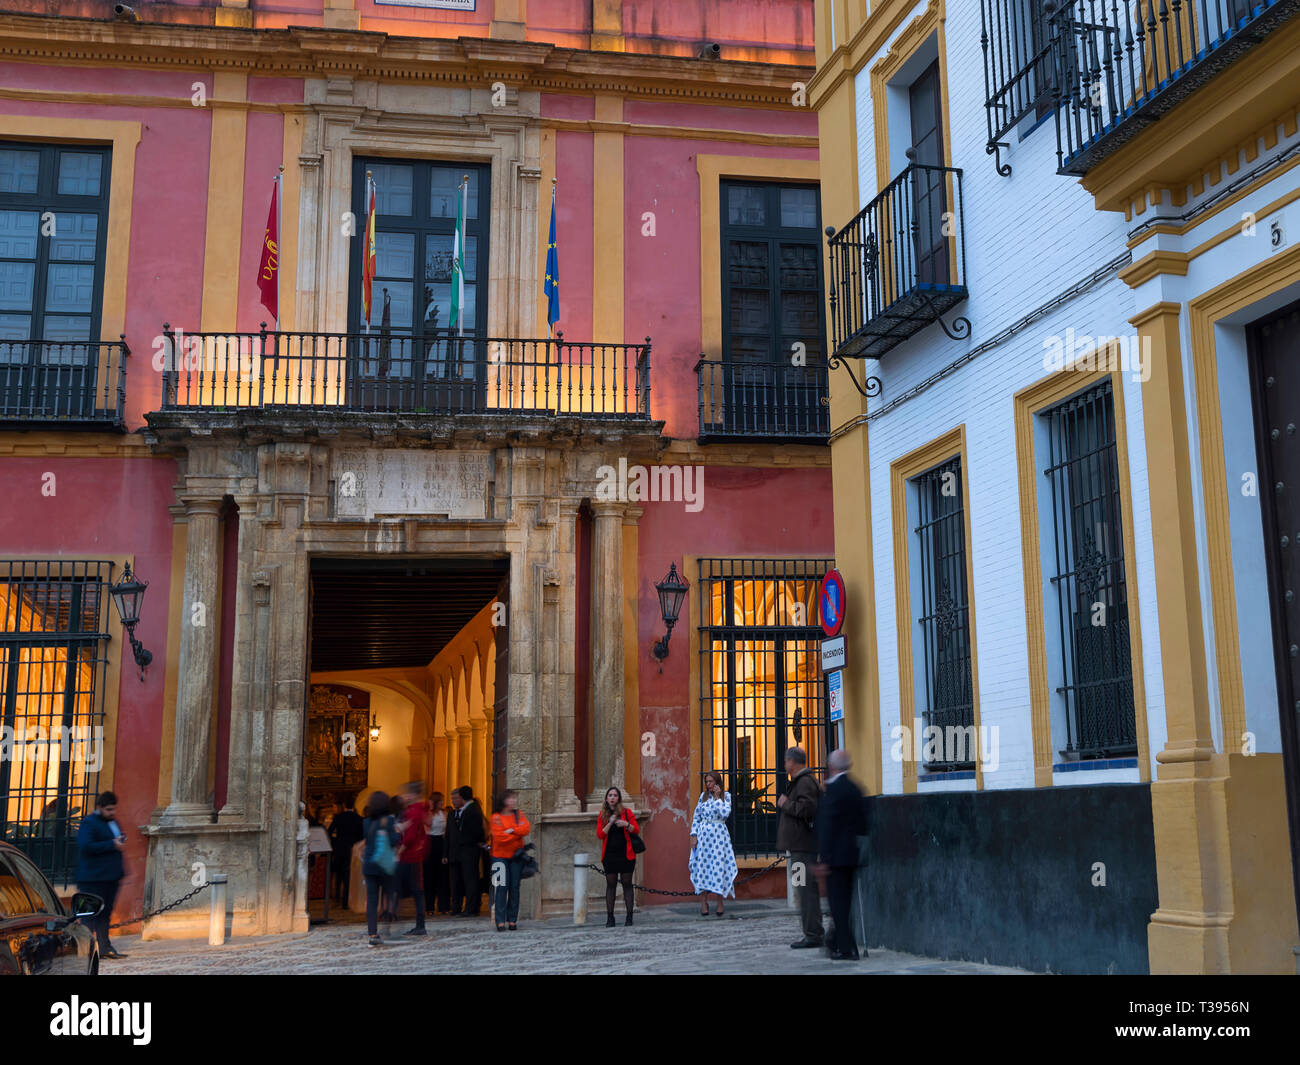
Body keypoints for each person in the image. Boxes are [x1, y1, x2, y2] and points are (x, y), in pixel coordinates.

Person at [817, 749, 869, 961]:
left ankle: (847, 948)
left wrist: (824, 858)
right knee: (845, 903)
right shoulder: (856, 788)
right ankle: (839, 942)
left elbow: (828, 826)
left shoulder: (833, 790)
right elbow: (863, 824)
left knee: (838, 905)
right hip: (851, 855)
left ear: (832, 766)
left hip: (836, 858)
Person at [776, 747, 824, 949]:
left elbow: (807, 809)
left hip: (802, 848)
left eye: (786, 761)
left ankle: (813, 934)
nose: (785, 764)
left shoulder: (804, 782)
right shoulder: (802, 781)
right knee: (803, 890)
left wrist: (785, 804)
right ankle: (811, 932)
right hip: (799, 847)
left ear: (793, 762)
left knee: (805, 891)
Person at [75, 791, 128, 959]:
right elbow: (86, 846)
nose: (112, 812)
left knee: (105, 914)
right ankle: (86, 952)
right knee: (89, 916)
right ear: (99, 807)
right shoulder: (89, 823)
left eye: (114, 809)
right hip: (92, 878)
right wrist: (112, 844)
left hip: (110, 877)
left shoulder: (113, 822)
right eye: (109, 809)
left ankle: (105, 948)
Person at [689, 770, 737, 917]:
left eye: (711, 781)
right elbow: (696, 817)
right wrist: (694, 835)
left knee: (718, 866)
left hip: (718, 837)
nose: (708, 784)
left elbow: (724, 814)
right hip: (704, 837)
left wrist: (717, 798)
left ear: (717, 782)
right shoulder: (702, 797)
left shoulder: (725, 796)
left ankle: (720, 901)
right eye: (707, 782)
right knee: (702, 867)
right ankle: (703, 902)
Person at [596, 786, 640, 928]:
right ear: (606, 799)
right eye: (610, 795)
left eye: (615, 795)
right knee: (611, 885)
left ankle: (629, 917)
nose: (613, 797)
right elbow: (600, 835)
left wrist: (626, 824)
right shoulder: (603, 815)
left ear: (619, 798)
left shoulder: (626, 812)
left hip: (626, 854)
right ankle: (610, 917)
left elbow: (636, 829)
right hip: (610, 855)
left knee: (627, 884)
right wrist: (610, 822)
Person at [361, 791, 399, 947]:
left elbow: (368, 840)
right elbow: (392, 841)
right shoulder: (389, 821)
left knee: (372, 899)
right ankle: (387, 926)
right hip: (384, 865)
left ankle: (372, 933)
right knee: (389, 895)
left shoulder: (366, 821)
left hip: (370, 863)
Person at [489, 789, 531, 932]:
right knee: (501, 888)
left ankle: (512, 920)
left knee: (515, 888)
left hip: (516, 857)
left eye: (514, 798)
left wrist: (511, 831)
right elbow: (499, 838)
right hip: (499, 858)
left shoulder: (519, 814)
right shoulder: (496, 817)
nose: (514, 801)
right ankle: (500, 921)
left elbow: (526, 829)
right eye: (511, 798)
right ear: (504, 800)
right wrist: (516, 833)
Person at [396, 781, 431, 936]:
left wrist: (398, 852)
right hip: (415, 854)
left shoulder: (414, 811)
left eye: (407, 793)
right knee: (415, 890)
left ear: (414, 794)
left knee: (411, 889)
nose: (405, 796)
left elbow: (410, 837)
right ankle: (418, 923)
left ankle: (418, 923)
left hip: (409, 855)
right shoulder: (418, 810)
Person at [453, 785, 486, 916]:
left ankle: (471, 908)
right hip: (469, 848)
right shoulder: (471, 809)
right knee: (470, 878)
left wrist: (476, 841)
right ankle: (473, 906)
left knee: (470, 878)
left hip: (470, 848)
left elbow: (476, 830)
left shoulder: (471, 810)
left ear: (461, 797)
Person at [328, 793, 365, 908]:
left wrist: (335, 842)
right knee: (349, 875)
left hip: (339, 848)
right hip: (352, 849)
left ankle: (337, 897)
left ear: (344, 805)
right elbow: (362, 835)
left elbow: (329, 832)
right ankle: (346, 900)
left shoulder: (338, 817)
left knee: (339, 875)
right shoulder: (359, 818)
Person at [423, 792, 449, 915]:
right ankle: (429, 907)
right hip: (430, 841)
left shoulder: (444, 813)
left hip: (441, 841)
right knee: (429, 877)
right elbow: (426, 827)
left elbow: (446, 829)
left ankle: (443, 906)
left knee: (442, 876)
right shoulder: (428, 814)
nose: (442, 803)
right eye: (440, 801)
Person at [445, 788, 466, 914]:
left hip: (464, 853)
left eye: (456, 798)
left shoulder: (467, 812)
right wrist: (445, 853)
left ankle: (468, 906)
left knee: (465, 881)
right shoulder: (451, 814)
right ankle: (456, 907)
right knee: (454, 882)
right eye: (452, 799)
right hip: (453, 853)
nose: (453, 801)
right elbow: (447, 834)